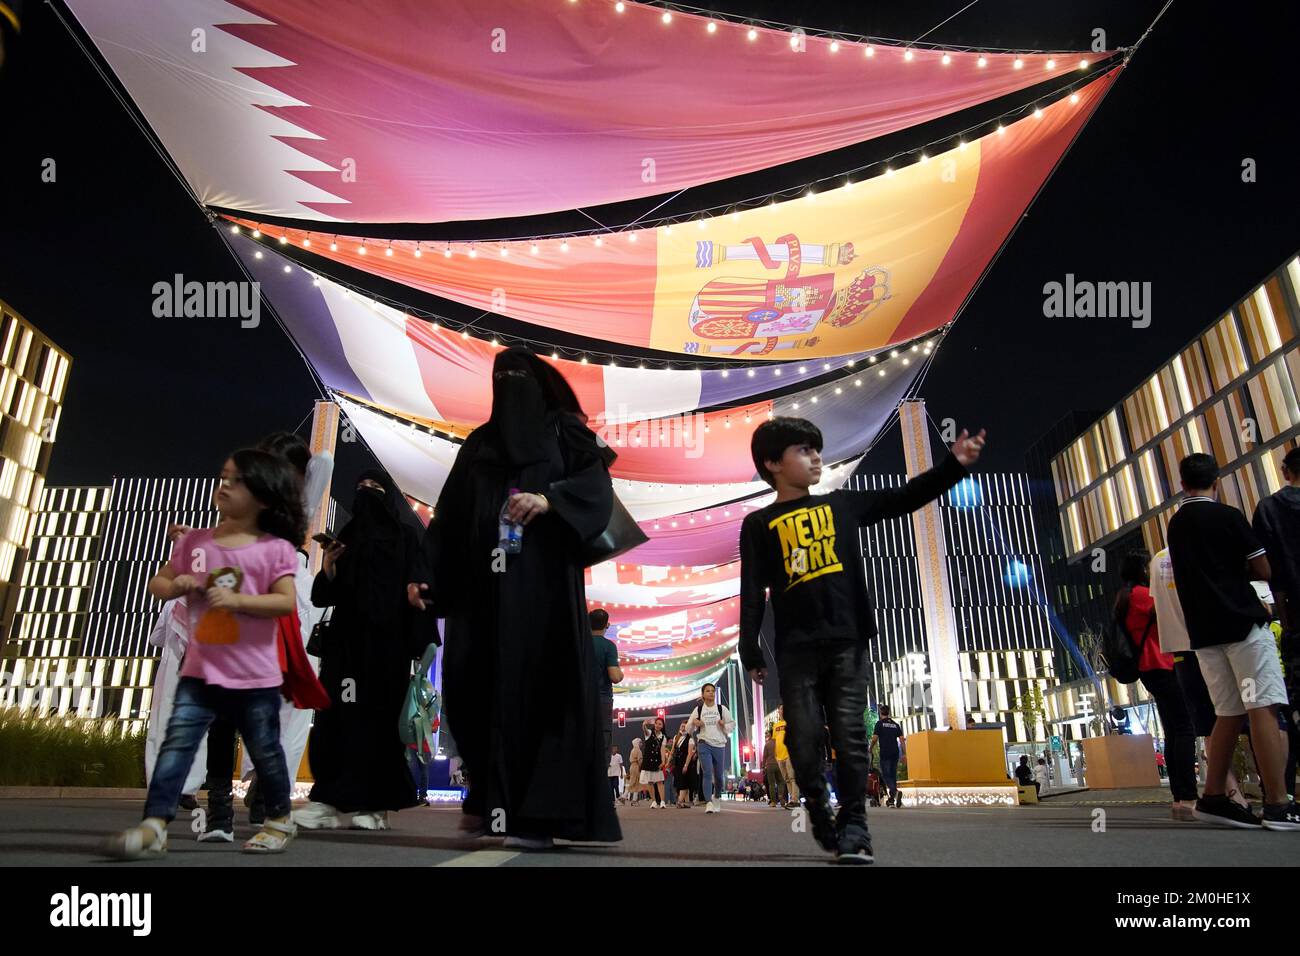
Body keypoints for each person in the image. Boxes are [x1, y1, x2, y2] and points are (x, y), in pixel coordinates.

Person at [740, 416, 985, 864]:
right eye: (802, 451)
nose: (815, 458)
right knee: (804, 738)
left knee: (852, 737)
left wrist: (954, 465)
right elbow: (753, 591)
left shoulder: (841, 505)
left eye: (817, 450)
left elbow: (905, 497)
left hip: (848, 642)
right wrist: (749, 649)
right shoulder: (759, 524)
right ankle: (817, 804)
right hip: (796, 648)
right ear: (772, 463)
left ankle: (855, 826)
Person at [408, 347, 621, 851]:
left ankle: (539, 815)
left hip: (542, 591)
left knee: (540, 693)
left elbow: (597, 488)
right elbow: (450, 516)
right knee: (472, 688)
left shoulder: (565, 433)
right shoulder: (480, 445)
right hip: (481, 592)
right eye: (501, 379)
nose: (509, 388)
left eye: (518, 378)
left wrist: (550, 500)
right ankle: (488, 801)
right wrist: (426, 575)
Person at [103, 450, 305, 858]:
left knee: (265, 746)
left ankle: (279, 819)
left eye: (239, 480)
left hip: (254, 671)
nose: (225, 484)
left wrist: (237, 599)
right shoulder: (197, 543)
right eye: (223, 476)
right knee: (179, 743)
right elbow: (158, 582)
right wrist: (175, 585)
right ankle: (156, 824)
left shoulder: (273, 550)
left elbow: (285, 602)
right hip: (203, 667)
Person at [1166, 453, 1299, 830]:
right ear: (1217, 480)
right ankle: (1277, 803)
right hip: (1242, 624)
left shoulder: (1176, 525)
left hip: (1204, 634)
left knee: (1227, 712)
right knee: (1263, 707)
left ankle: (1213, 797)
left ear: (1182, 483)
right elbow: (1263, 568)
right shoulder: (1227, 516)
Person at [293, 469, 425, 832]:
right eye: (360, 489)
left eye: (374, 490)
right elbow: (324, 595)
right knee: (334, 720)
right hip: (345, 646)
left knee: (379, 723)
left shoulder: (406, 537)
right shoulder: (348, 536)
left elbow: (420, 588)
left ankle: (375, 804)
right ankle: (328, 800)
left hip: (387, 649)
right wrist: (331, 567)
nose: (365, 497)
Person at [1115, 549, 1199, 820]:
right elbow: (1169, 609)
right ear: (1141, 570)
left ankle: (1180, 795)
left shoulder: (1125, 597)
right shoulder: (1140, 595)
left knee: (1174, 730)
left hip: (1150, 667)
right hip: (1160, 664)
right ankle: (1187, 795)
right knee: (1184, 728)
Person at [1250, 449, 1300, 792]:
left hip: (1294, 610)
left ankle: (1286, 792)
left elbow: (1263, 569)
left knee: (1293, 705)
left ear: (1285, 472)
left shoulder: (1269, 508)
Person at [143, 597, 206, 810]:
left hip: (170, 674)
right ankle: (188, 789)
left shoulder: (172, 603)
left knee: (161, 730)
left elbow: (155, 639)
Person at [688, 682, 735, 814]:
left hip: (719, 745)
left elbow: (732, 724)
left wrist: (724, 724)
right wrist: (694, 723)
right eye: (708, 691)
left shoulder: (721, 709)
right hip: (704, 743)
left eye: (713, 691)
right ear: (703, 694)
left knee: (719, 777)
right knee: (707, 773)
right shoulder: (698, 710)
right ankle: (708, 802)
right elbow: (688, 729)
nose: (711, 693)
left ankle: (716, 797)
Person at [589, 609, 624, 757]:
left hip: (580, 700)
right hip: (602, 701)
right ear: (607, 625)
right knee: (602, 743)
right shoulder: (608, 646)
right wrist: (621, 672)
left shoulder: (578, 644)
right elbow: (615, 676)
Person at [870, 705, 904, 809]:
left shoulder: (879, 724)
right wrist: (904, 754)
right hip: (895, 752)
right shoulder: (895, 725)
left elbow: (875, 738)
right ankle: (891, 801)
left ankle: (895, 791)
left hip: (885, 752)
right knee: (892, 776)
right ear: (888, 712)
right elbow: (902, 740)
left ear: (880, 713)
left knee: (885, 775)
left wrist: (870, 748)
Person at [771, 706, 799, 808]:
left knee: (792, 777)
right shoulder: (776, 725)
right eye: (780, 709)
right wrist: (775, 753)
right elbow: (775, 740)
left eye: (783, 709)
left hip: (789, 754)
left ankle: (795, 799)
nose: (780, 711)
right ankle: (792, 799)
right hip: (779, 756)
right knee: (786, 779)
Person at [671, 721, 698, 808]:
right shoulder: (676, 737)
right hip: (678, 762)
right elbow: (672, 751)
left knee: (684, 782)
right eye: (681, 726)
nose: (682, 728)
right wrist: (668, 762)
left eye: (685, 727)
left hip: (686, 762)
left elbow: (690, 754)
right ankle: (683, 802)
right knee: (680, 782)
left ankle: (679, 801)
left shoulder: (690, 739)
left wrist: (686, 765)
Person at [642, 719, 667, 808]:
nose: (657, 725)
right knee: (650, 782)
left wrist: (663, 761)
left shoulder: (663, 737)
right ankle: (654, 801)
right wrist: (644, 724)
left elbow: (662, 750)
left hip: (657, 761)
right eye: (656, 723)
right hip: (648, 760)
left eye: (660, 724)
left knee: (660, 781)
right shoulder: (649, 733)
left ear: (662, 726)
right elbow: (644, 730)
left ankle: (662, 802)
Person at [762, 727, 785, 807]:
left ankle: (773, 802)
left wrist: (763, 766)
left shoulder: (767, 744)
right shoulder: (779, 742)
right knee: (780, 782)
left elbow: (764, 757)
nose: (767, 734)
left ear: (771, 734)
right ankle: (781, 797)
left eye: (768, 733)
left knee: (771, 784)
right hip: (779, 764)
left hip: (770, 765)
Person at [625, 737, 644, 805]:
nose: (641, 744)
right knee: (633, 783)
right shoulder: (638, 751)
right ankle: (624, 797)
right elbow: (640, 761)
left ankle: (634, 800)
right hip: (636, 766)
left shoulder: (632, 750)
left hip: (632, 766)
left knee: (635, 783)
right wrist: (641, 768)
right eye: (640, 742)